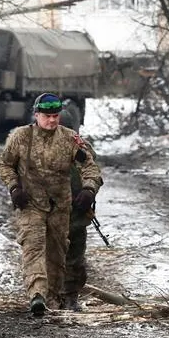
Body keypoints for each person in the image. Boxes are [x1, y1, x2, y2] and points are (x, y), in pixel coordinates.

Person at [0, 93, 102, 316]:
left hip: (64, 207)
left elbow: (90, 168)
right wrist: (14, 187)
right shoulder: (21, 137)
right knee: (33, 246)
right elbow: (5, 164)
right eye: (47, 116)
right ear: (36, 115)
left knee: (60, 255)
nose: (52, 120)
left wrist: (89, 190)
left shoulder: (71, 140)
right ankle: (37, 294)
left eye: (56, 116)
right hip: (31, 204)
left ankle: (57, 298)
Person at [58, 108, 98, 312]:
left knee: (74, 256)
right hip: (48, 210)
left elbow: (92, 172)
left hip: (76, 210)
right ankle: (49, 294)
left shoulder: (82, 148)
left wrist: (88, 191)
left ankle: (71, 296)